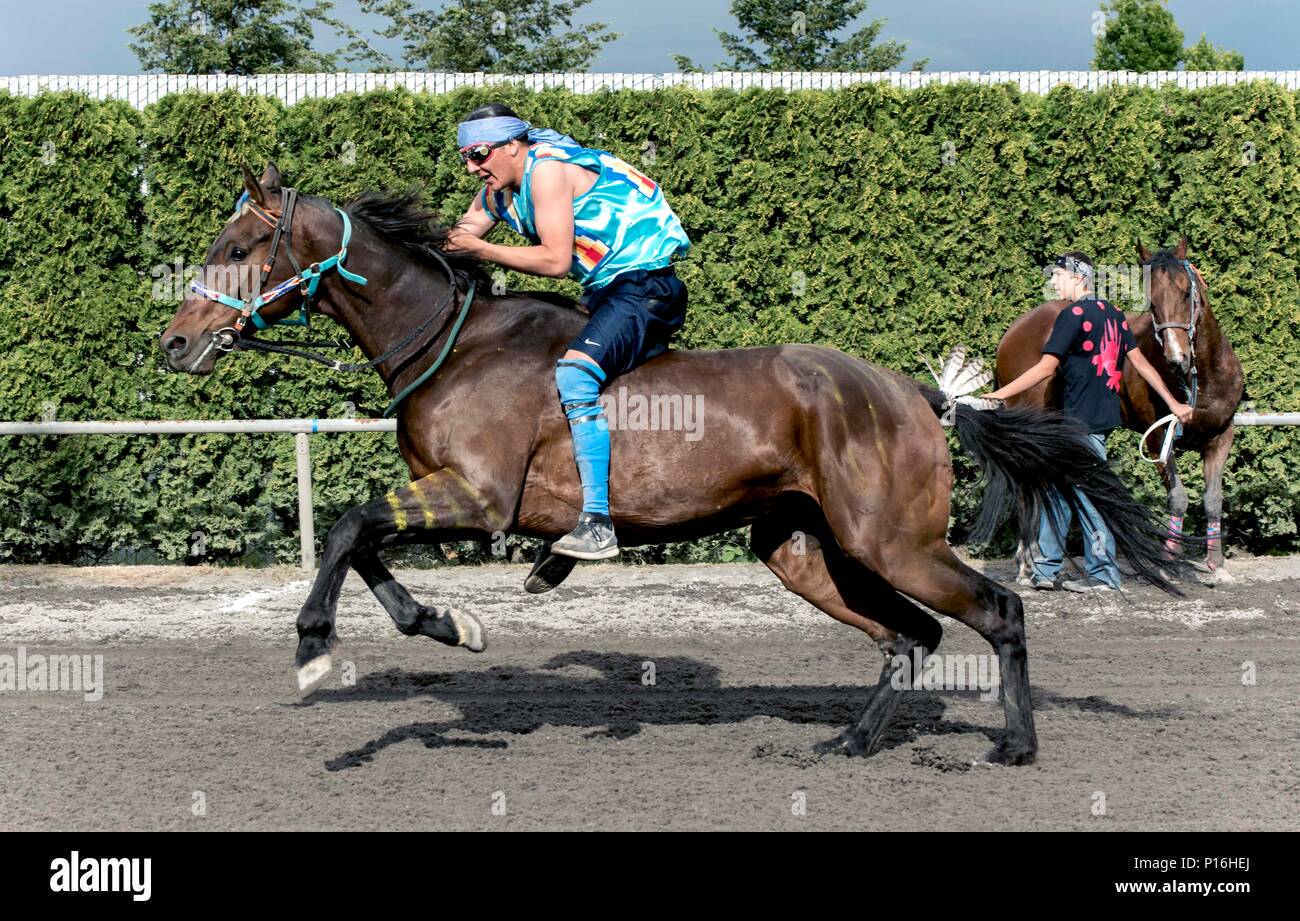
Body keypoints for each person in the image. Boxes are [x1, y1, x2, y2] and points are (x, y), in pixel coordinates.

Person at [445, 103, 691, 560]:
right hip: (605, 293)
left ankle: (598, 523)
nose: (472, 167)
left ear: (512, 146)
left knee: (575, 375)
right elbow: (455, 242)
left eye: (479, 154)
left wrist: (481, 249)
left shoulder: (546, 171)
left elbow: (555, 261)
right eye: (465, 157)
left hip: (645, 288)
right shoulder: (497, 192)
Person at [984, 253, 1194, 592]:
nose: (1053, 282)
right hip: (1098, 421)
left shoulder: (1072, 316)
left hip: (1078, 421)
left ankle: (1103, 575)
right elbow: (1141, 364)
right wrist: (1173, 403)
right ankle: (1045, 570)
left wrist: (998, 395)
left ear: (1078, 277)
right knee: (1056, 490)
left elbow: (1045, 368)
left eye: (1058, 276)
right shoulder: (1114, 315)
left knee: (1088, 499)